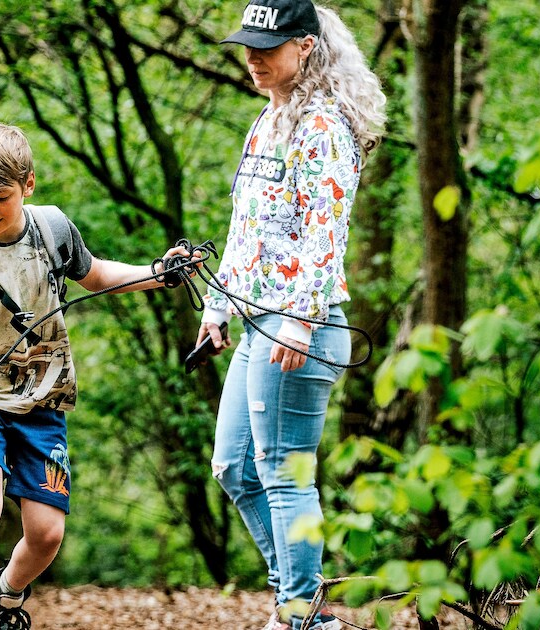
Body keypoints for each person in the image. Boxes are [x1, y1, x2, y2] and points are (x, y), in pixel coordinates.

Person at [0, 122, 194, 630]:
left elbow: (96, 275)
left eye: (0, 197)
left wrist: (156, 273)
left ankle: (8, 593)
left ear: (27, 185)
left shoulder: (52, 231)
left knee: (47, 533)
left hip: (43, 400)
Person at [199, 1, 386, 629]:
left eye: (267, 47)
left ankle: (299, 613)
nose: (252, 58)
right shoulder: (267, 120)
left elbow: (323, 234)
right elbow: (246, 228)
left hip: (298, 326)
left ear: (305, 47)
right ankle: (303, 608)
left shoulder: (324, 127)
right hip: (256, 320)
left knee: (284, 475)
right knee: (232, 466)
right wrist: (218, 302)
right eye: (247, 45)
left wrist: (301, 320)